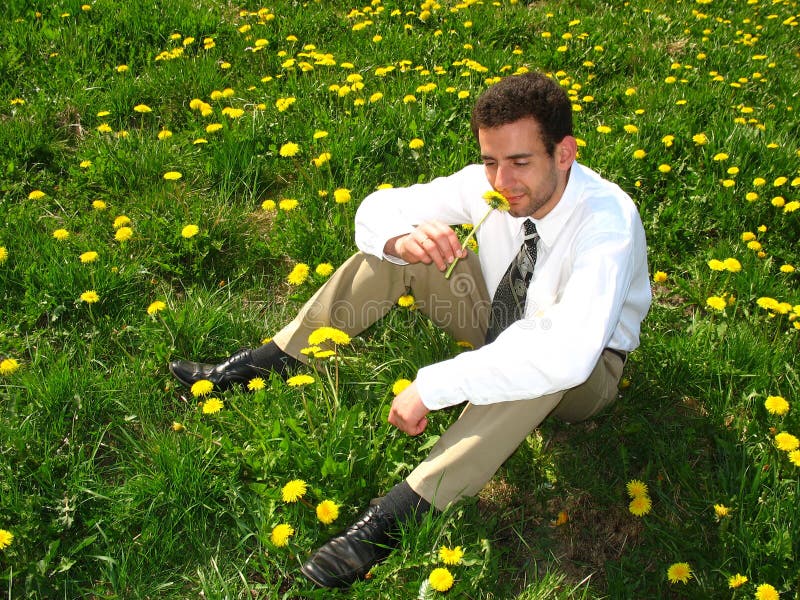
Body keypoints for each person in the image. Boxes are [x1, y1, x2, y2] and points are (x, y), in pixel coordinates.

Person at [169, 71, 651, 589]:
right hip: (493, 315)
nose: (501, 182)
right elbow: (378, 210)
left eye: (519, 163)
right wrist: (401, 241)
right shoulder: (484, 186)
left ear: (564, 153)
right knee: (407, 248)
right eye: (490, 161)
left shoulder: (606, 222)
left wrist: (434, 386)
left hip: (586, 375)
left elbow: (567, 351)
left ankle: (398, 513)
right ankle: (281, 355)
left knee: (539, 365)